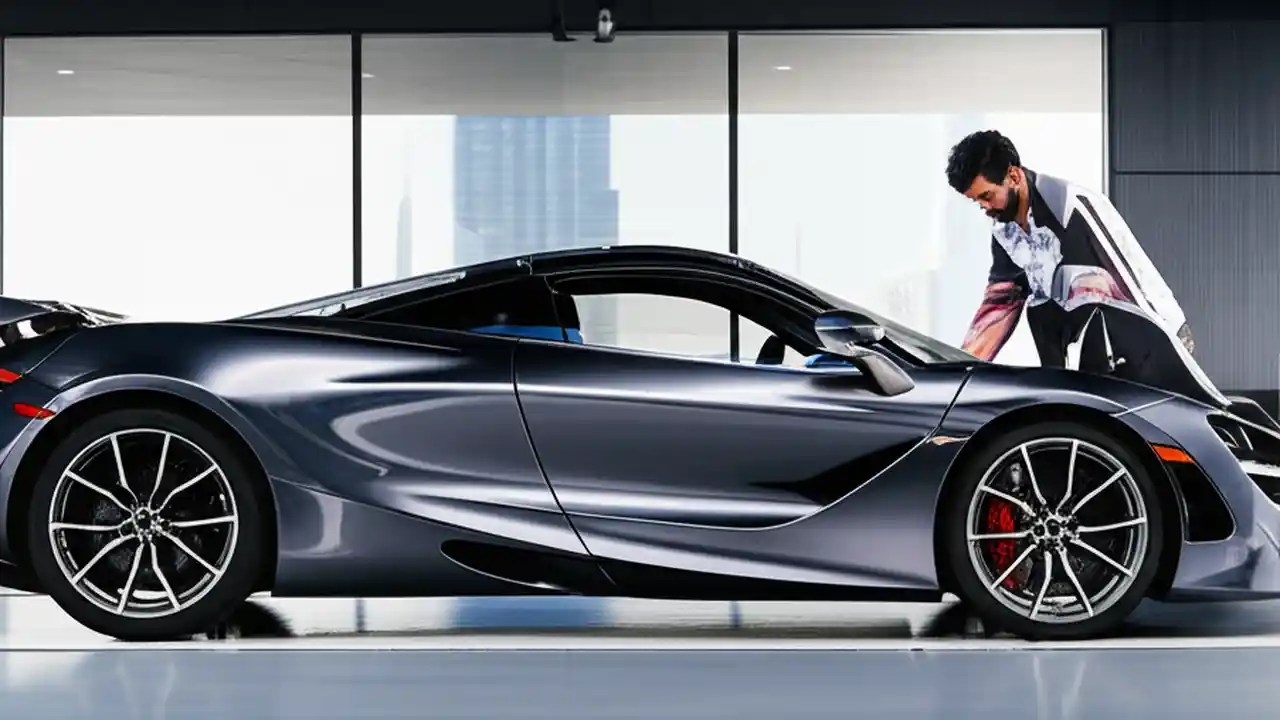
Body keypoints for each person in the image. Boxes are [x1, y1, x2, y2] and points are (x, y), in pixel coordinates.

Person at [944, 129, 1195, 368]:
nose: (984, 207)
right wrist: (960, 368)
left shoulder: (1068, 207)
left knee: (1079, 287)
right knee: (1040, 307)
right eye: (976, 201)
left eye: (987, 196)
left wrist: (1168, 352)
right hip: (1089, 347)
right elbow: (1000, 303)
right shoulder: (1005, 229)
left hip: (1157, 336)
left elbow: (1126, 282)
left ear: (1014, 177)